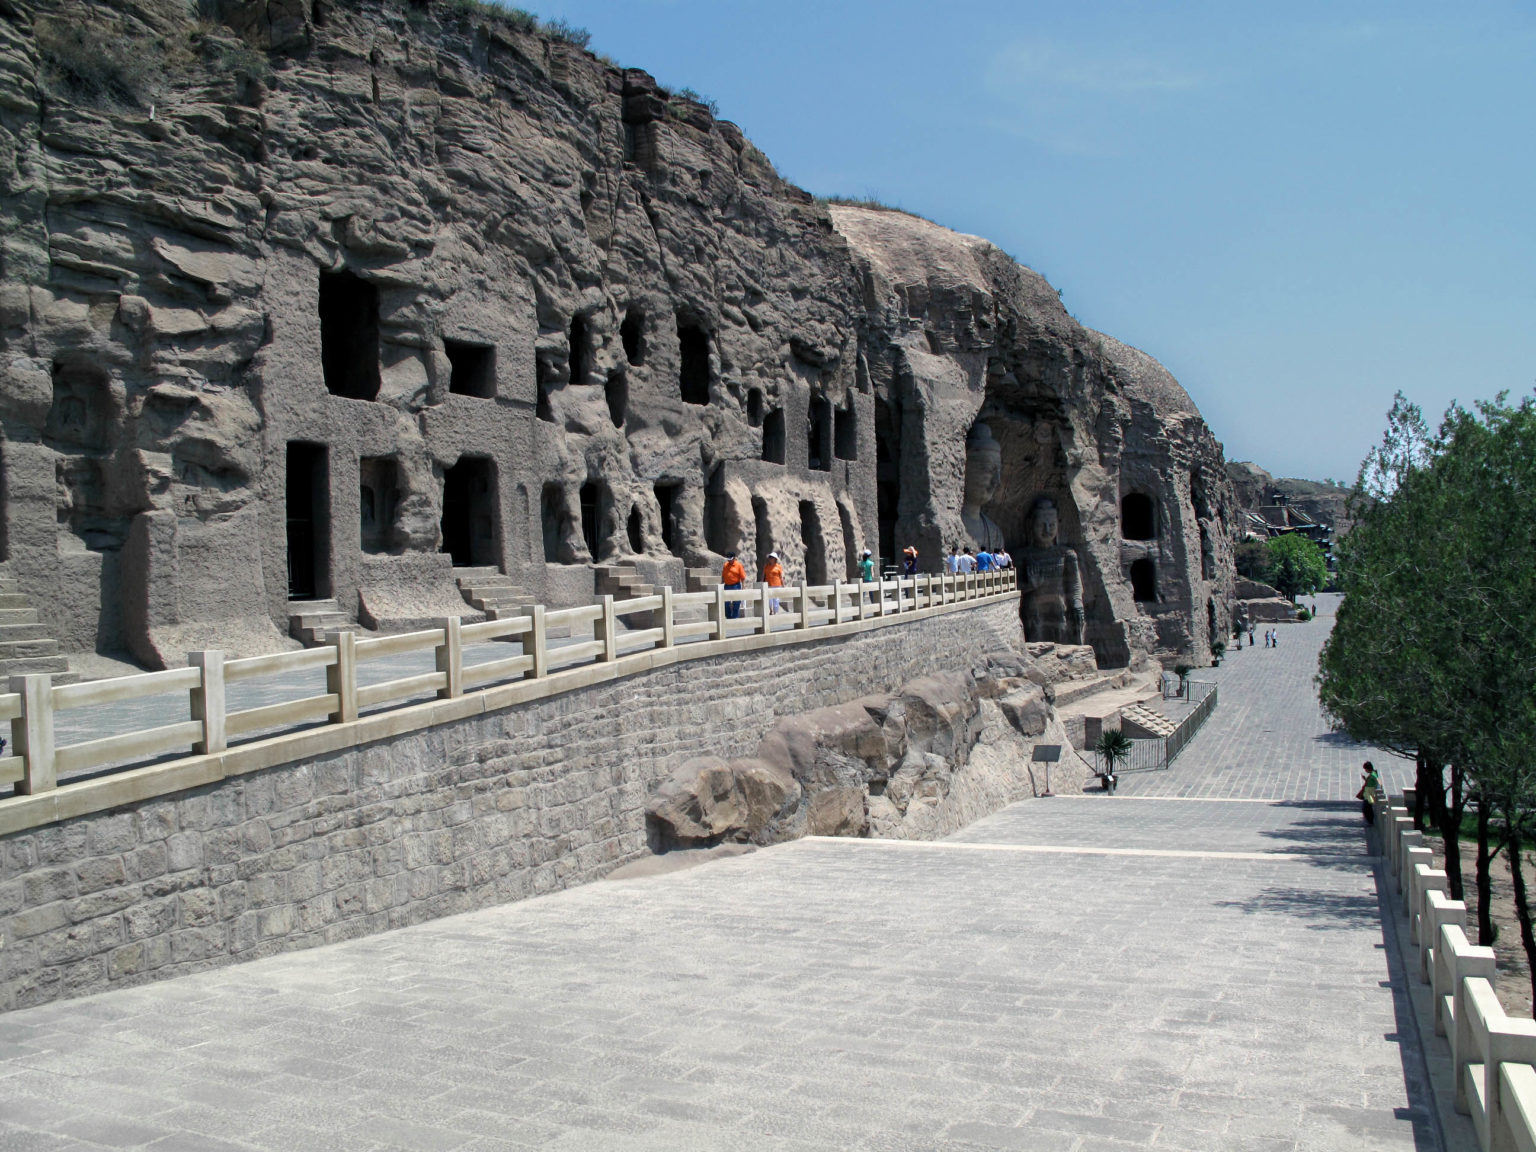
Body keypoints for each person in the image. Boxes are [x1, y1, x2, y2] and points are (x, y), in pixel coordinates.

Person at [721, 552, 745, 620]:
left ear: (734, 558)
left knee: (736, 602)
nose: (729, 560)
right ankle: (728, 616)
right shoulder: (725, 565)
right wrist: (721, 583)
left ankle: (735, 617)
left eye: (730, 559)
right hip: (727, 586)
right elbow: (723, 575)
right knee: (726, 603)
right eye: (728, 559)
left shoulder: (739, 565)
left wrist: (743, 586)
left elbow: (742, 577)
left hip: (736, 585)